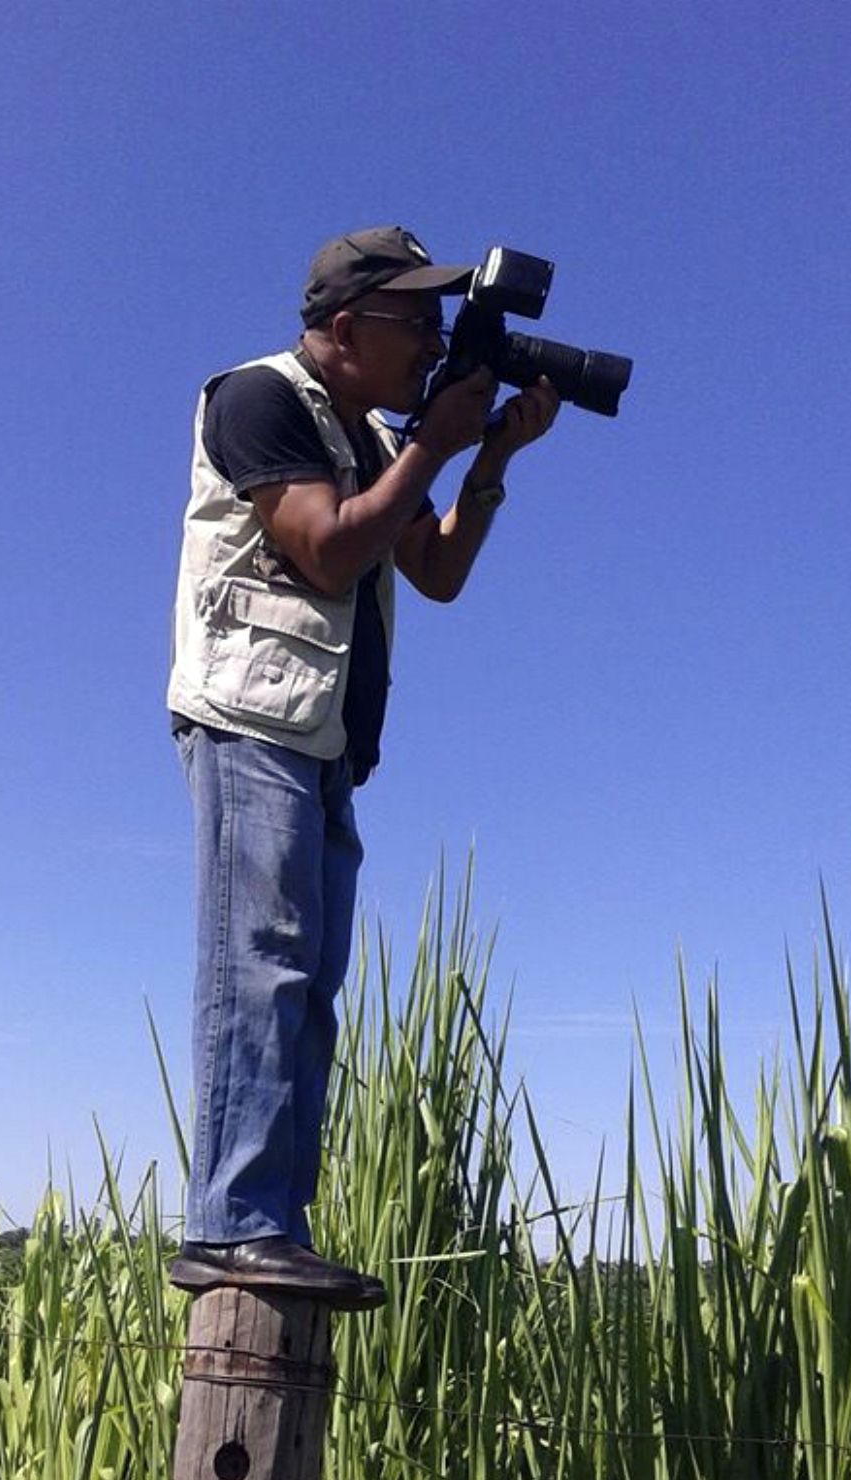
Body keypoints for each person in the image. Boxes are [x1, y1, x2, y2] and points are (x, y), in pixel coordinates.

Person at [166, 226, 559, 1307]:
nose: (435, 340)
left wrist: (488, 458)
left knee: (309, 989)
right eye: (416, 321)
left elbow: (431, 569)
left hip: (326, 742)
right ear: (345, 327)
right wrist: (432, 442)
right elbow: (330, 547)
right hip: (252, 723)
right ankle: (234, 1226)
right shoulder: (258, 398)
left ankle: (268, 1227)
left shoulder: (376, 439)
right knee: (264, 963)